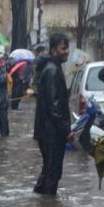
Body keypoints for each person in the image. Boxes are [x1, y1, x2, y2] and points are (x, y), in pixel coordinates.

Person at [33, 33, 70, 195]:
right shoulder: (52, 71)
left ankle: (42, 205)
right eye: (64, 48)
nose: (67, 51)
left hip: (48, 132)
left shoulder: (52, 68)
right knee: (53, 172)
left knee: (49, 170)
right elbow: (55, 108)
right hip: (51, 133)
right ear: (54, 50)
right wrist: (66, 131)